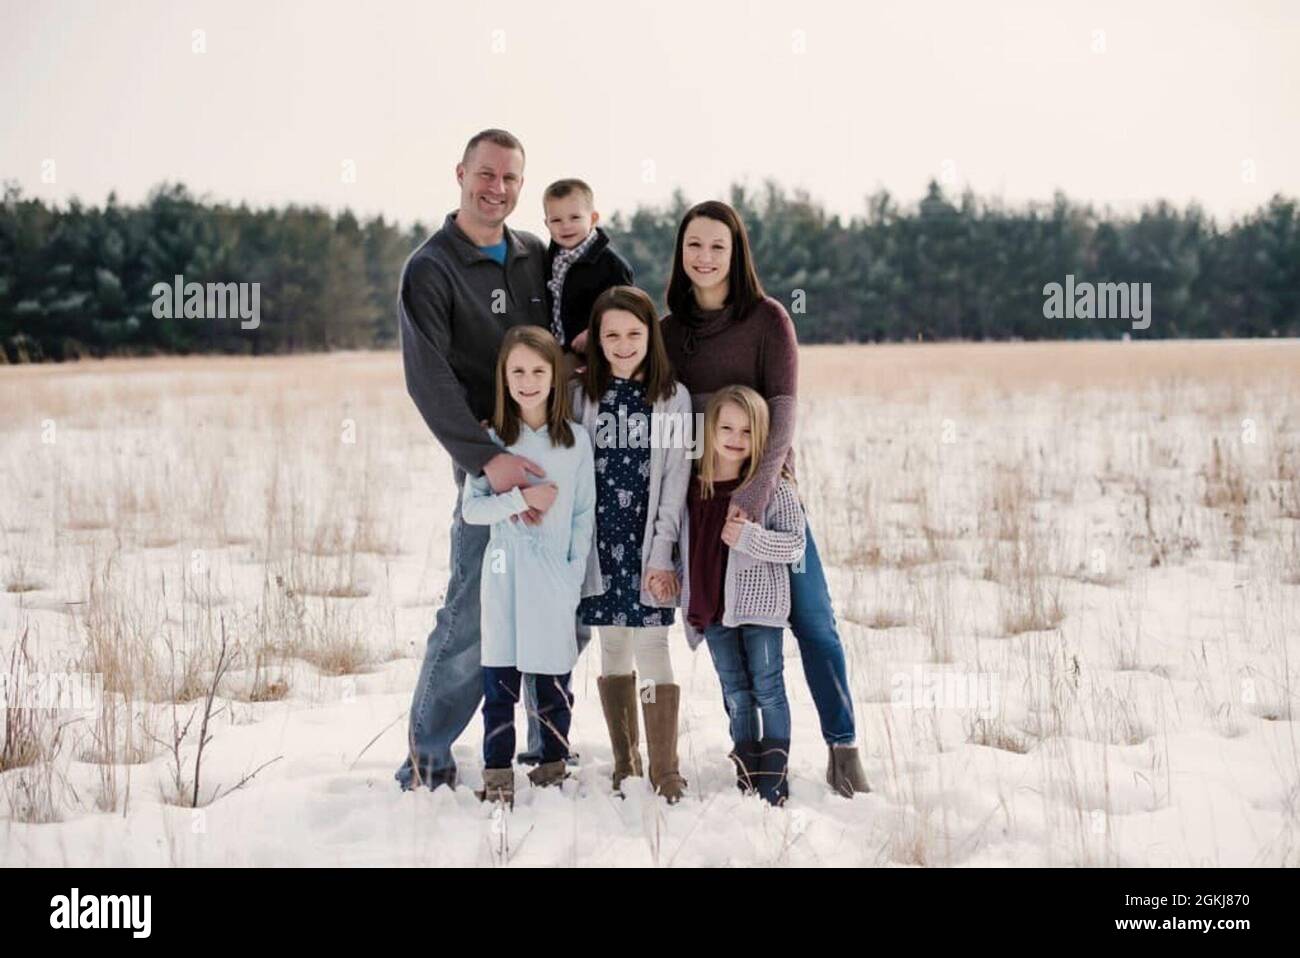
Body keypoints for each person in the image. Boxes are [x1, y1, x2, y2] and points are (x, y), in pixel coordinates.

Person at [660, 200, 872, 797]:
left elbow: (782, 414)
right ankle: (753, 756)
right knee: (728, 633)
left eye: (717, 247)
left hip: (770, 499)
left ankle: (843, 745)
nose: (704, 257)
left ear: (735, 254)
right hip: (702, 508)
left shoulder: (768, 320)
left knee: (814, 622)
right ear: (682, 254)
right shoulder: (669, 334)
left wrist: (753, 497)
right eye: (693, 245)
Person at [395, 128, 556, 792]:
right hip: (486, 460)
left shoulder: (535, 257)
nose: (497, 189)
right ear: (460, 173)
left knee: (556, 595)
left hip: (550, 453)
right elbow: (427, 380)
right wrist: (488, 460)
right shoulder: (430, 269)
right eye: (486, 175)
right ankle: (427, 757)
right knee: (472, 610)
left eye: (510, 179)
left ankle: (548, 746)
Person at [569, 285, 693, 801]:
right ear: (596, 340)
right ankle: (626, 760)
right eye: (612, 334)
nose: (623, 344)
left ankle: (665, 768)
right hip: (600, 545)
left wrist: (663, 550)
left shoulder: (673, 398)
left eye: (635, 334)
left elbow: (676, 482)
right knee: (612, 642)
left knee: (652, 642)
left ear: (652, 336)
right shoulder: (581, 396)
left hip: (647, 543)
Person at [467, 326, 595, 805]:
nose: (528, 380)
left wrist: (571, 573)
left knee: (553, 680)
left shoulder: (575, 443)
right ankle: (498, 774)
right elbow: (472, 510)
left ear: (555, 377)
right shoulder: (492, 438)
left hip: (554, 579)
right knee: (500, 683)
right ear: (504, 376)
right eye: (517, 370)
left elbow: (583, 514)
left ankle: (553, 766)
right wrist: (520, 498)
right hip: (503, 578)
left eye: (539, 370)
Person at [678, 385, 802, 806]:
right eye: (726, 427)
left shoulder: (770, 488)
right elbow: (685, 544)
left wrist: (751, 538)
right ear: (709, 429)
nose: (735, 437)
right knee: (735, 691)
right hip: (712, 609)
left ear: (762, 437)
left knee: (767, 687)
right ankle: (747, 769)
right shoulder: (694, 486)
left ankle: (774, 776)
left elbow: (794, 545)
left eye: (747, 431)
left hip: (759, 607)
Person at [541, 178, 635, 376]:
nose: (566, 226)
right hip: (555, 348)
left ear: (592, 218)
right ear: (546, 223)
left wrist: (595, 332)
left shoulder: (611, 265)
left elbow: (627, 311)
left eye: (575, 218)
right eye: (556, 220)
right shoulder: (548, 259)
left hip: (596, 353)